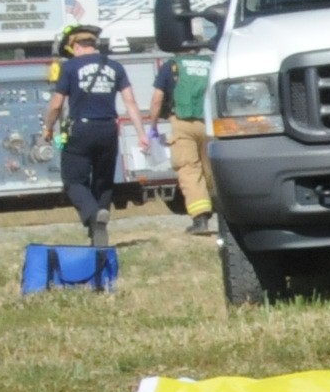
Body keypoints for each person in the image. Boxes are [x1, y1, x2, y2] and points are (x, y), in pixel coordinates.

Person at [35, 22, 137, 252]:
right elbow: (130, 102)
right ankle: (98, 231)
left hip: (82, 129)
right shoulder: (116, 66)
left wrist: (48, 128)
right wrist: (141, 133)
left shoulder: (69, 68)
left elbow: (57, 104)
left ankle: (93, 216)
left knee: (73, 180)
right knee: (103, 181)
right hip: (109, 129)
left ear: (76, 45)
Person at [152, 47, 216, 235]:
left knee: (189, 169)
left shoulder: (172, 66)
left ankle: (200, 219)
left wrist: (153, 127)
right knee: (212, 169)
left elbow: (157, 99)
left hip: (182, 123)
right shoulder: (211, 63)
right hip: (211, 123)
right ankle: (225, 213)